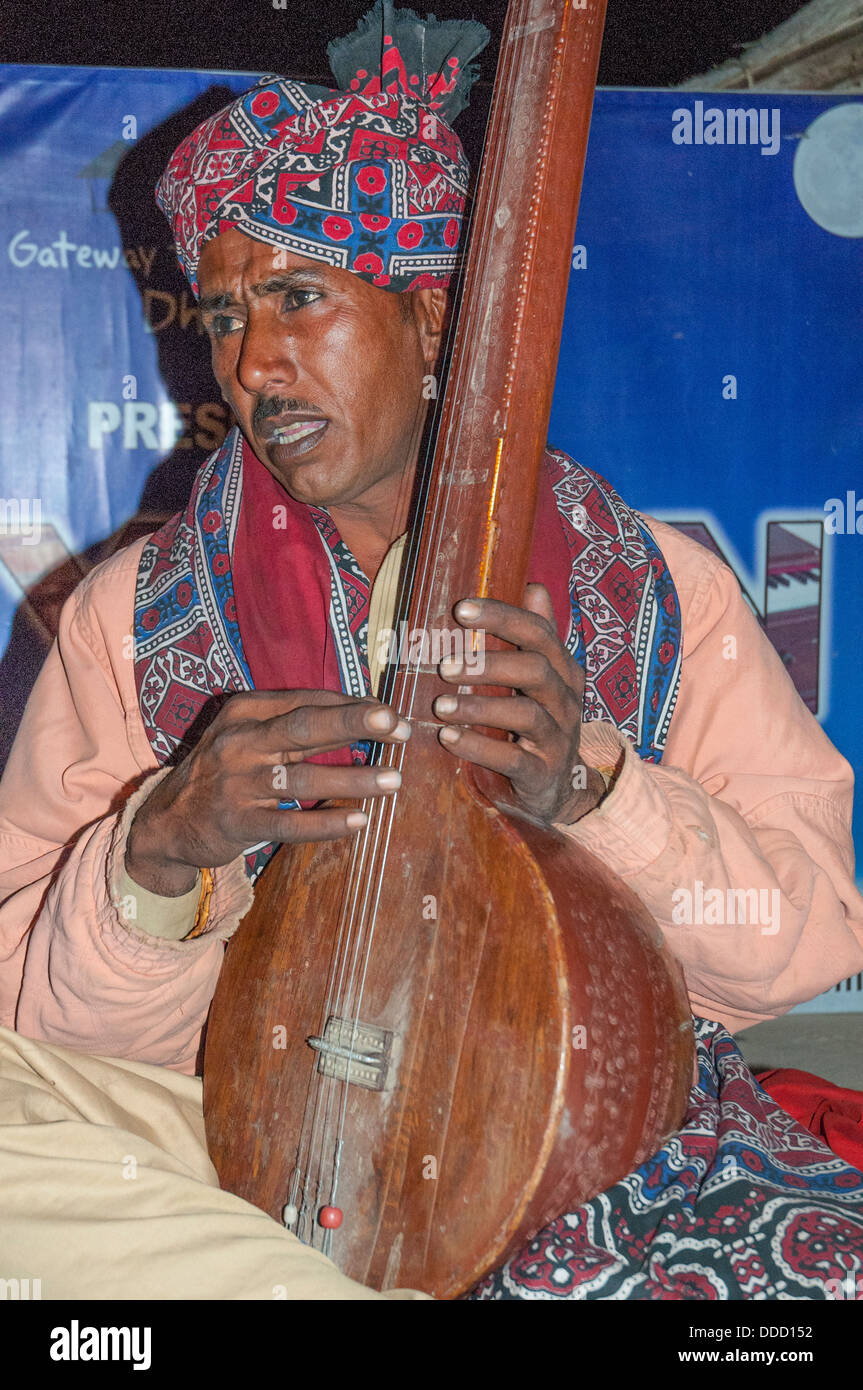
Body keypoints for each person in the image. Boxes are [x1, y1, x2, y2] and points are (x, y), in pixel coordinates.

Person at [1, 0, 862, 1302]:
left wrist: (600, 791)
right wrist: (156, 859)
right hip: (235, 1141)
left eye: (302, 297)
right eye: (226, 314)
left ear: (432, 315)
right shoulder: (137, 620)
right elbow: (45, 1026)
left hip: (578, 1139)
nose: (258, 364)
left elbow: (799, 946)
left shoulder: (653, 590)